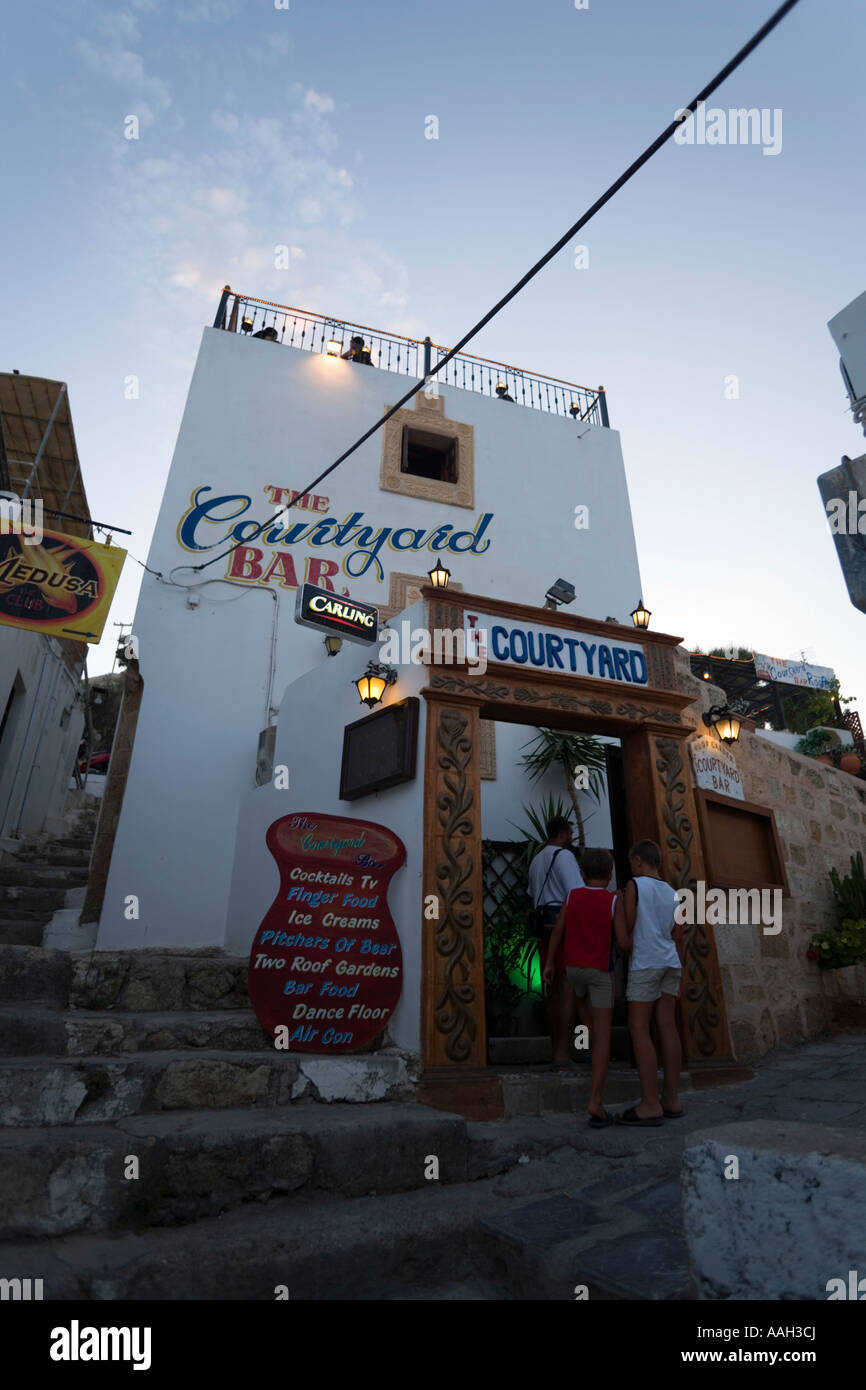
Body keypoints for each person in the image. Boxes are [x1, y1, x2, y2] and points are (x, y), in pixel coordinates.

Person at [543, 848, 627, 1126]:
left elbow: (558, 930)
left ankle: (589, 1035)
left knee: (581, 1002)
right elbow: (620, 938)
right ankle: (596, 1101)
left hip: (573, 969)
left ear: (582, 873)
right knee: (604, 1036)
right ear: (610, 874)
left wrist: (550, 964)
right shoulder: (612, 901)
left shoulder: (573, 895)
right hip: (599, 972)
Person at [614, 839, 684, 1126]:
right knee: (667, 1025)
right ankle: (672, 1098)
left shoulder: (635, 886)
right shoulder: (673, 892)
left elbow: (628, 928)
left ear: (640, 860)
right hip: (670, 961)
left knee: (639, 1027)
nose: (632, 866)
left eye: (633, 861)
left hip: (645, 961)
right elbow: (678, 933)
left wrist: (619, 906)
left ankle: (650, 1103)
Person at [528, 816, 584, 1071]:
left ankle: (556, 1050)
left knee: (552, 990)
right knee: (568, 987)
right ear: (563, 833)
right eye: (570, 833)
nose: (572, 838)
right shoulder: (564, 857)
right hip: (563, 928)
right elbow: (576, 893)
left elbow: (532, 894)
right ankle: (563, 1054)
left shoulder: (536, 859)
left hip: (542, 927)